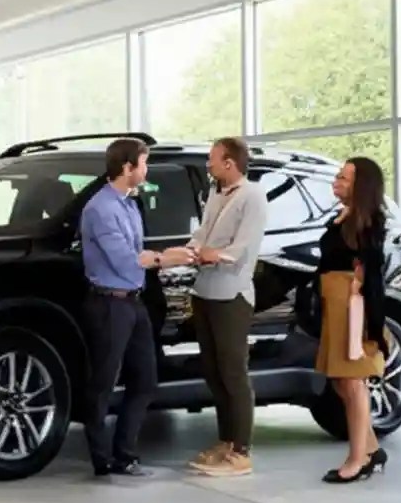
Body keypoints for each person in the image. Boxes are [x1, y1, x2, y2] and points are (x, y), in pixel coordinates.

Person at [80, 138, 172, 478]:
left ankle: (125, 454)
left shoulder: (131, 205)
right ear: (126, 168)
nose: (147, 170)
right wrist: (166, 258)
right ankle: (100, 458)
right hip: (108, 303)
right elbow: (125, 260)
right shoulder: (99, 209)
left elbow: (138, 256)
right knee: (102, 383)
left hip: (134, 301)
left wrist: (158, 259)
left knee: (145, 379)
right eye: (144, 164)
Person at [181, 137, 268, 477]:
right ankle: (225, 440)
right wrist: (189, 250)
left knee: (234, 372)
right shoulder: (216, 194)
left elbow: (246, 243)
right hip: (204, 291)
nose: (209, 164)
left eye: (213, 159)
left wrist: (216, 255)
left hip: (232, 294)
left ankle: (242, 450)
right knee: (213, 371)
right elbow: (203, 232)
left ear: (230, 162)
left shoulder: (253, 195)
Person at [315, 157, 390, 484]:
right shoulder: (343, 216)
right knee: (339, 381)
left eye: (344, 178)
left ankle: (357, 459)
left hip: (352, 304)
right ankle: (371, 450)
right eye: (338, 176)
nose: (337, 181)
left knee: (352, 381)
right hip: (335, 301)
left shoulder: (369, 221)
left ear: (361, 186)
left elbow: (372, 270)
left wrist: (370, 321)